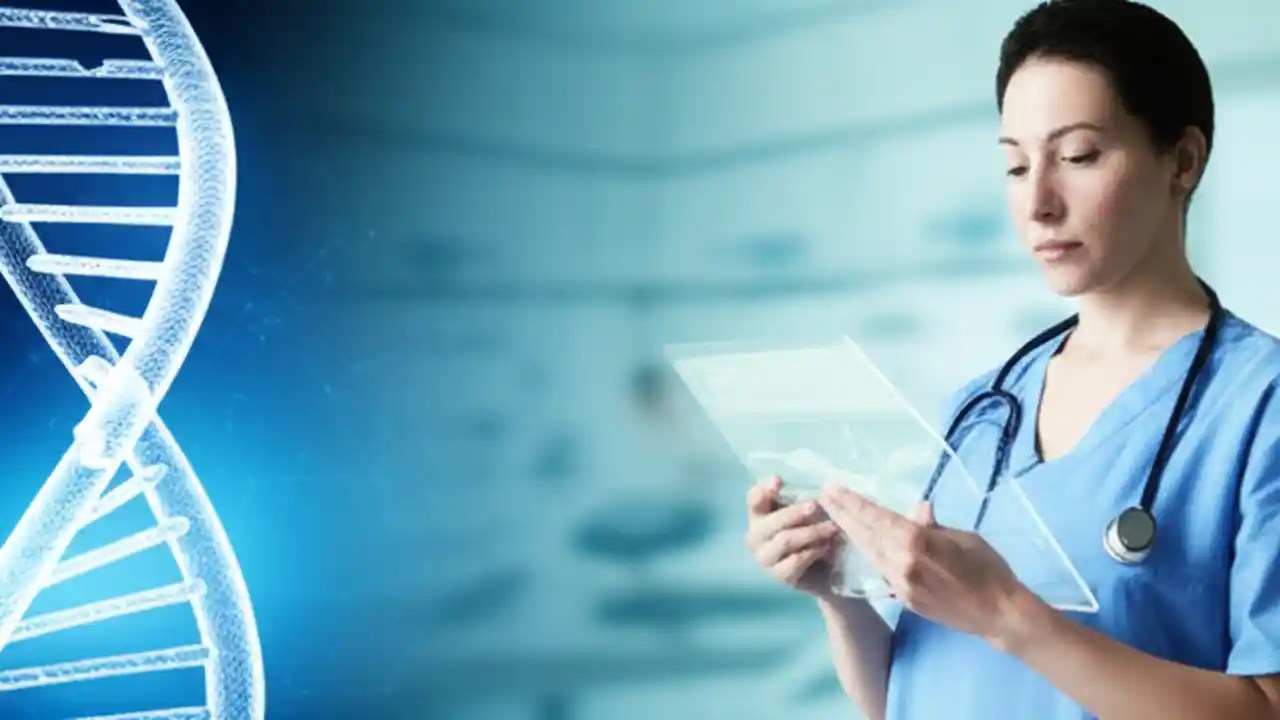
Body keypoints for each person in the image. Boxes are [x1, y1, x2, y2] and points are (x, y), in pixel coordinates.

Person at [744, 1, 1280, 718]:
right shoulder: (981, 410)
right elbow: (907, 694)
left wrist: (1009, 615)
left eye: (1079, 156)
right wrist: (834, 595)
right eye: (1016, 164)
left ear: (1182, 160)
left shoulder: (1257, 407)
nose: (1038, 203)